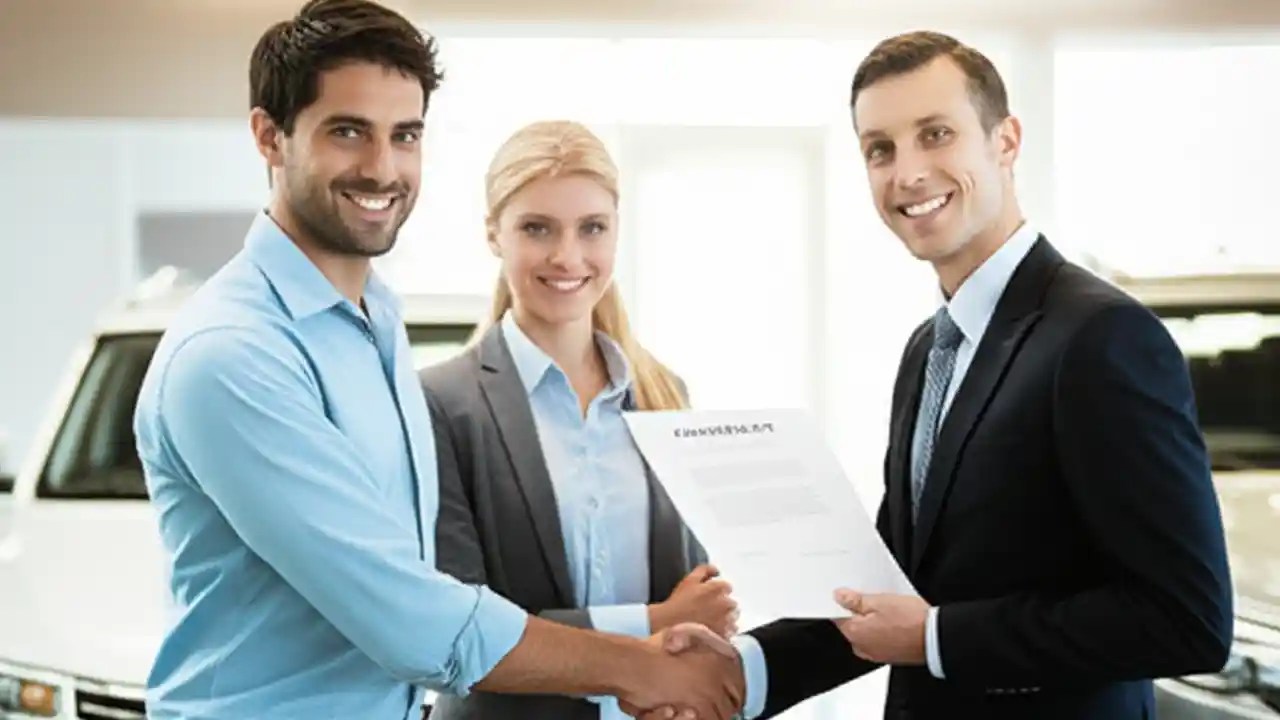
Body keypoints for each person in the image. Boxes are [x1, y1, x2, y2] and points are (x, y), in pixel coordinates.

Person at [131, 2, 743, 719]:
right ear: (270, 137)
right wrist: (642, 660)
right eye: (348, 131)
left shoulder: (377, 323)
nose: (382, 168)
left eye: (406, 135)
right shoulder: (232, 356)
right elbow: (409, 617)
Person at [648, 30, 1234, 720]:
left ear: (1006, 141)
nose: (908, 173)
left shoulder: (1101, 337)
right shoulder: (930, 349)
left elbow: (1184, 618)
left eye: (936, 134)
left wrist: (933, 636)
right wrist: (744, 669)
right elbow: (891, 585)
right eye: (880, 149)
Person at [420, 120, 742, 720]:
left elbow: (696, 597)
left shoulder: (664, 393)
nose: (567, 257)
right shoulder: (440, 402)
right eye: (537, 228)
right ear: (494, 234)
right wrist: (651, 623)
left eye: (592, 228)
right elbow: (454, 621)